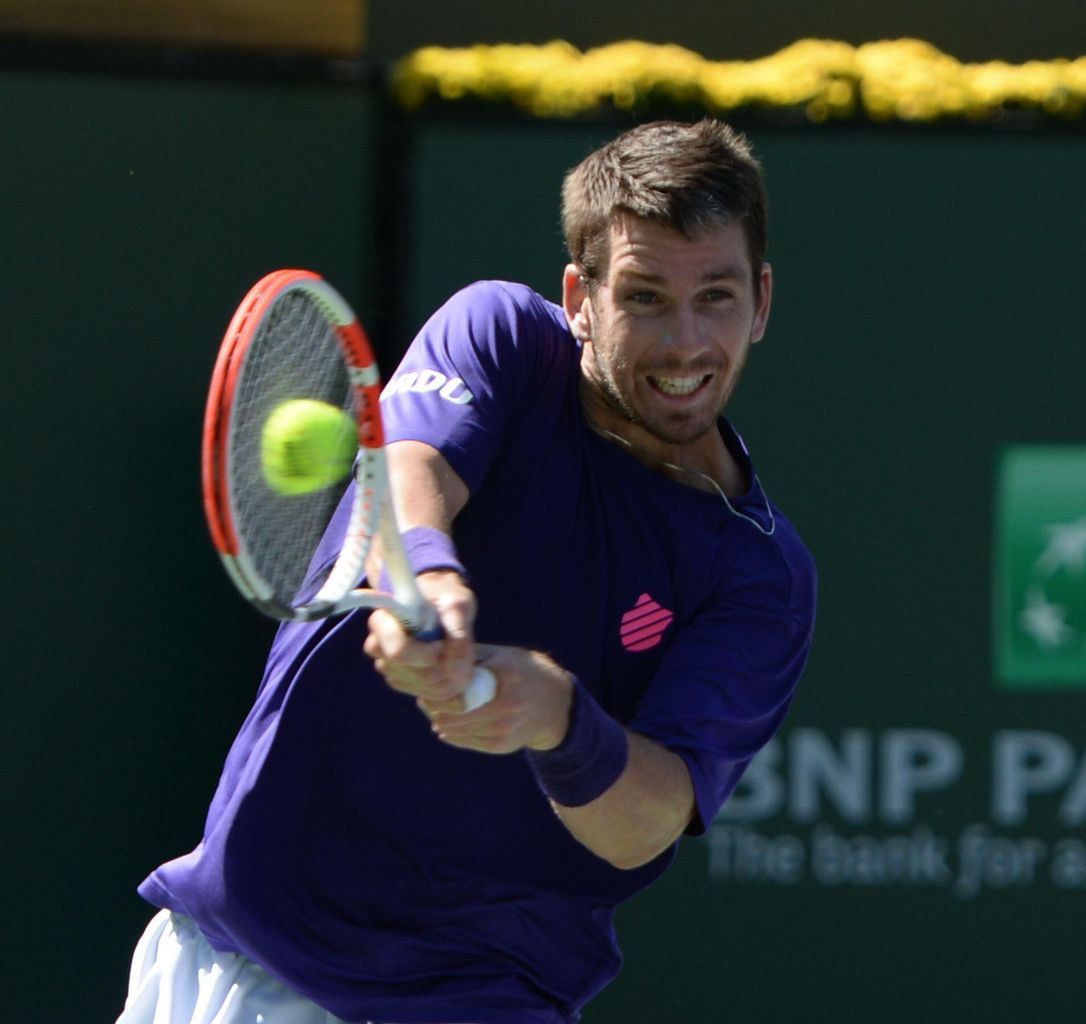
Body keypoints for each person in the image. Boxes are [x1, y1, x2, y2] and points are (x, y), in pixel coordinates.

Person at [117, 118, 817, 1024]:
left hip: (475, 997)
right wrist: (431, 578)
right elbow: (410, 472)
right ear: (580, 298)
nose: (685, 342)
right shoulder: (502, 335)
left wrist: (559, 721)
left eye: (714, 296)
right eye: (644, 297)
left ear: (760, 300)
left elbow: (646, 822)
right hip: (240, 955)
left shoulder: (759, 576)